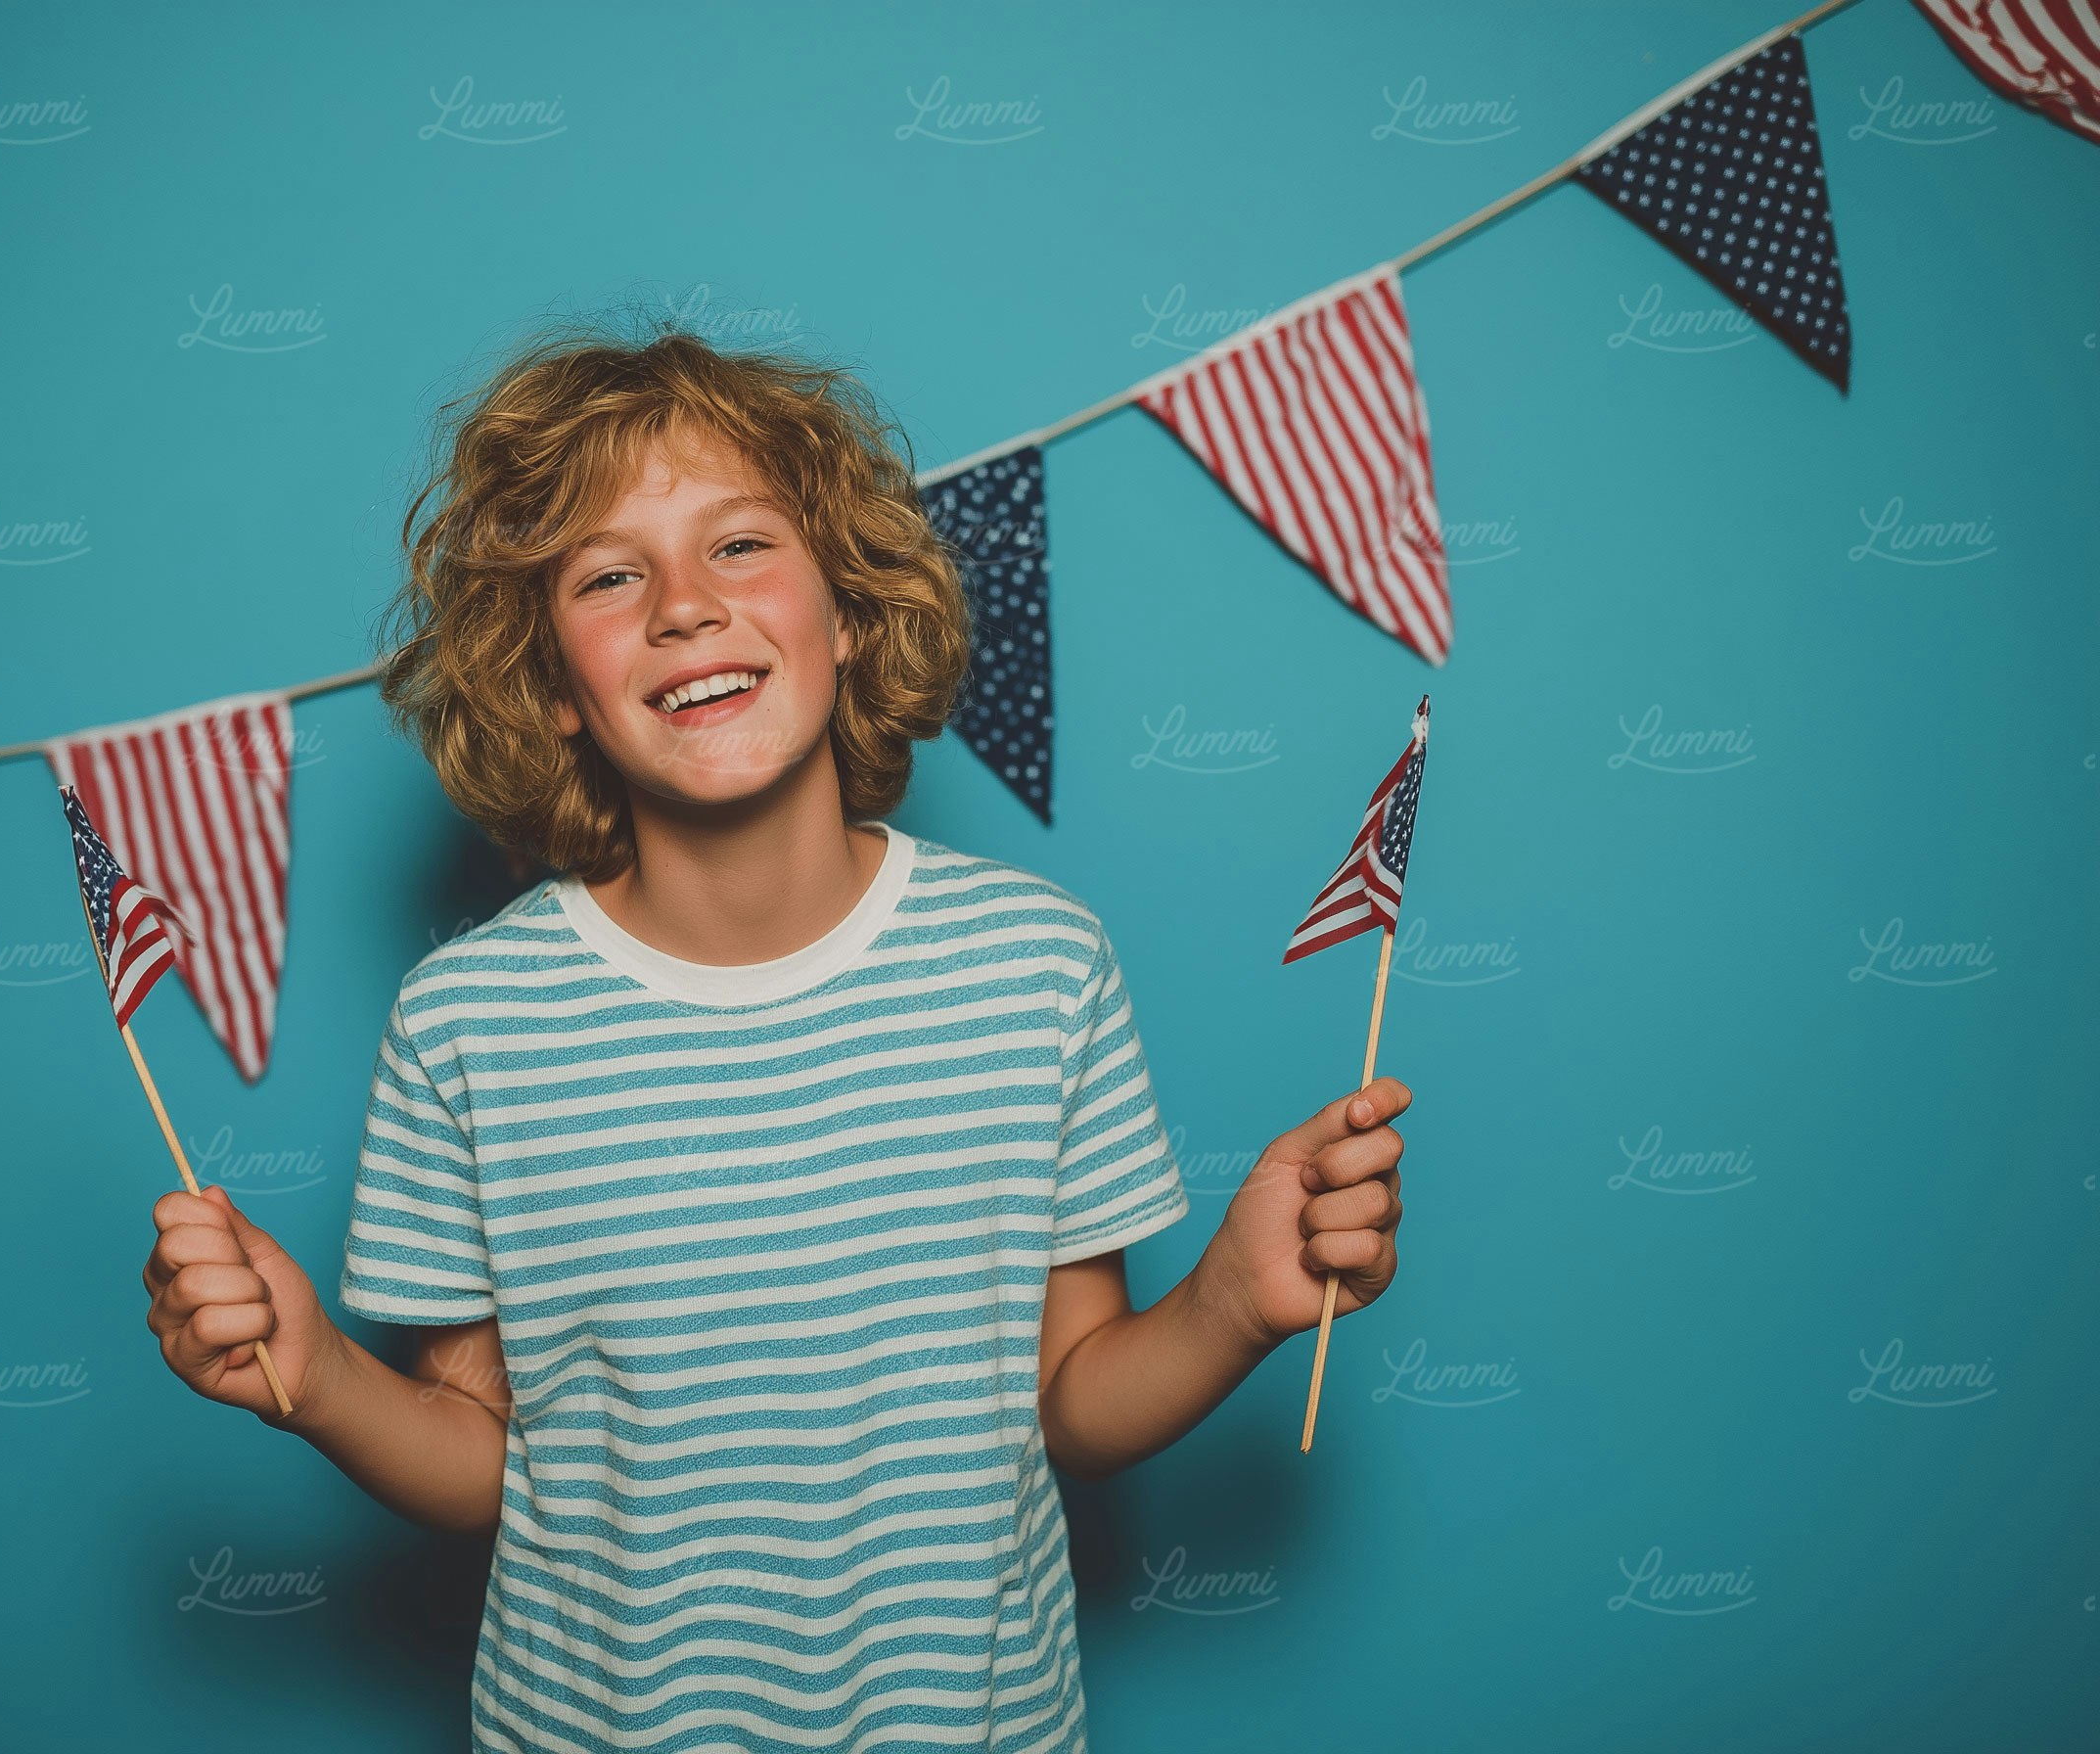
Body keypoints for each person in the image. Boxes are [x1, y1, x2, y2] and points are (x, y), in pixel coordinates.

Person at [141, 318, 1410, 1752]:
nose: (684, 605)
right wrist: (313, 1377)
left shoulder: (1036, 966)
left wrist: (1237, 1301)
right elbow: (490, 1460)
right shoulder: (467, 1025)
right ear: (553, 681)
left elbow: (1069, 1405)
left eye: (742, 545)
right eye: (610, 576)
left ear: (850, 610)